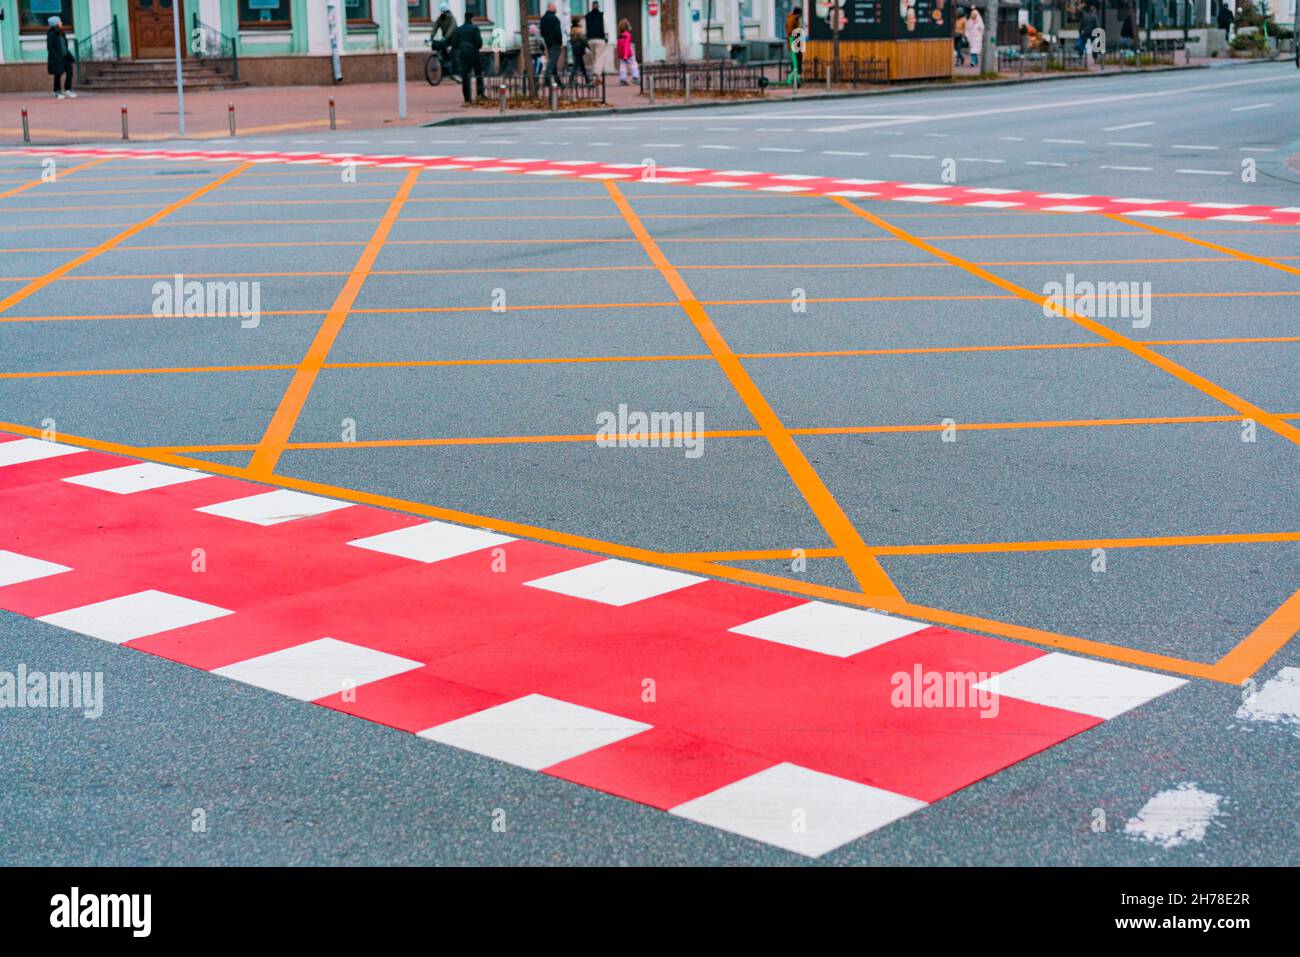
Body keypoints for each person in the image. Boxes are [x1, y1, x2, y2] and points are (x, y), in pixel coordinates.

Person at [452, 17, 484, 104]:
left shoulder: (459, 30)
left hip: (462, 54)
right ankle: (480, 94)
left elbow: (454, 44)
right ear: (472, 19)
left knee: (465, 76)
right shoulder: (475, 29)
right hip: (474, 54)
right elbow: (479, 43)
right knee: (478, 74)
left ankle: (467, 97)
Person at [46, 16, 75, 100]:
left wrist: (70, 57)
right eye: (60, 22)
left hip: (65, 57)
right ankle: (57, 91)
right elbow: (50, 48)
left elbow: (64, 47)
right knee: (58, 74)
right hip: (56, 58)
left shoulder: (61, 33)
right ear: (56, 24)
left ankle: (68, 90)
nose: (61, 23)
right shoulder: (51, 34)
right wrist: (56, 58)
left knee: (69, 72)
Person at [540, 2, 565, 87]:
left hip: (548, 44)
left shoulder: (543, 19)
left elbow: (542, 32)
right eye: (555, 8)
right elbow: (558, 32)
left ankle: (558, 82)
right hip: (555, 44)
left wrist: (547, 40)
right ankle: (547, 78)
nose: (556, 9)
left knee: (552, 62)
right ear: (551, 8)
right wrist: (560, 43)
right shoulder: (555, 19)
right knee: (552, 62)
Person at [585, 2, 608, 75]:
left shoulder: (587, 16)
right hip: (600, 39)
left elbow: (585, 29)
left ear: (592, 7)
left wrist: (586, 38)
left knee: (593, 57)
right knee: (599, 57)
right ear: (598, 6)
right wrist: (606, 37)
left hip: (590, 39)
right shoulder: (602, 15)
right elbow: (606, 27)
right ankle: (596, 73)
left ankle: (595, 73)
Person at [616, 18, 639, 84]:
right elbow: (626, 46)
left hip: (621, 55)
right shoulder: (628, 35)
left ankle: (622, 80)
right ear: (627, 26)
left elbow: (618, 46)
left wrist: (620, 55)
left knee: (623, 66)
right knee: (634, 64)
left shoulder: (620, 36)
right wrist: (626, 55)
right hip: (628, 55)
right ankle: (635, 78)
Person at [569, 19, 591, 86]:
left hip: (575, 49)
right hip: (580, 49)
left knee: (582, 66)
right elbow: (583, 40)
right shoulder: (579, 30)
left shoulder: (572, 30)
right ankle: (571, 80)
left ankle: (587, 80)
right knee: (576, 66)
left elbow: (571, 41)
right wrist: (588, 46)